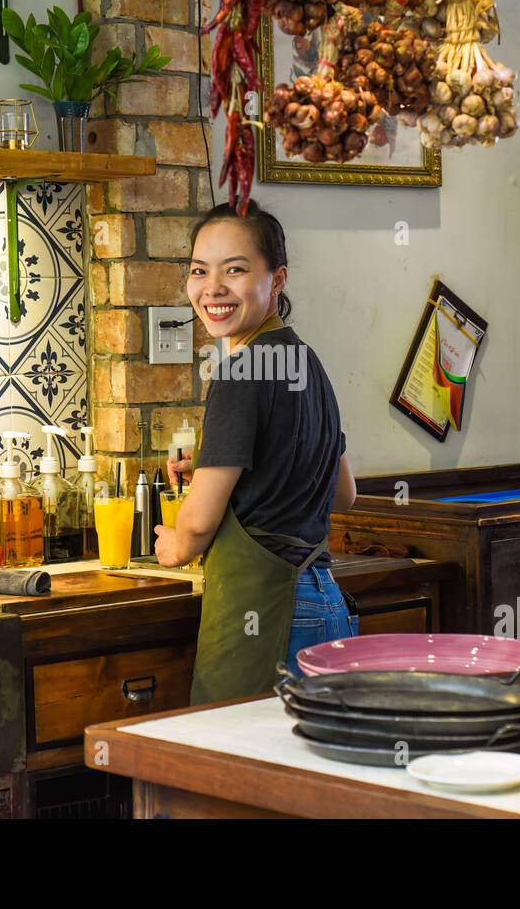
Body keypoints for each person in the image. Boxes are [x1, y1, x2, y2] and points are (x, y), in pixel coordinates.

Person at [153, 201, 358, 705]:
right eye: (199, 271)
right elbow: (345, 493)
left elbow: (197, 527)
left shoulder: (238, 372)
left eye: (236, 270)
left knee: (241, 773)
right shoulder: (308, 362)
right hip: (325, 603)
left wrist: (173, 546)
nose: (212, 288)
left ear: (278, 278)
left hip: (266, 615)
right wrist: (220, 465)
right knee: (315, 774)